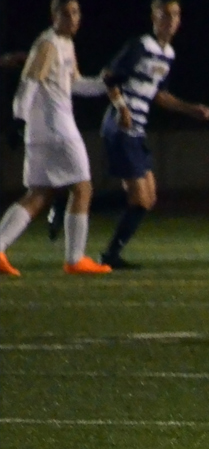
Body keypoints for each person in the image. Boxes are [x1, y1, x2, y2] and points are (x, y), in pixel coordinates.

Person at [94, 0, 209, 270]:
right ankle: (106, 249)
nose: (170, 20)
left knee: (148, 198)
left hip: (137, 129)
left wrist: (190, 109)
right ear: (154, 18)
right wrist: (121, 107)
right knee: (139, 198)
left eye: (175, 15)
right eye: (165, 15)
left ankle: (82, 213)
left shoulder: (168, 53)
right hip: (120, 125)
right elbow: (109, 77)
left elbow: (160, 95)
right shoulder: (140, 46)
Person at [0, 0, 112, 277]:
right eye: (67, 12)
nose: (73, 18)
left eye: (76, 12)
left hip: (44, 132)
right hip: (57, 130)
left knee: (39, 194)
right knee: (82, 188)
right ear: (54, 15)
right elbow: (30, 80)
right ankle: (75, 259)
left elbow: (75, 84)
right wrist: (18, 119)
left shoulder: (65, 45)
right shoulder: (48, 43)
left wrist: (103, 83)